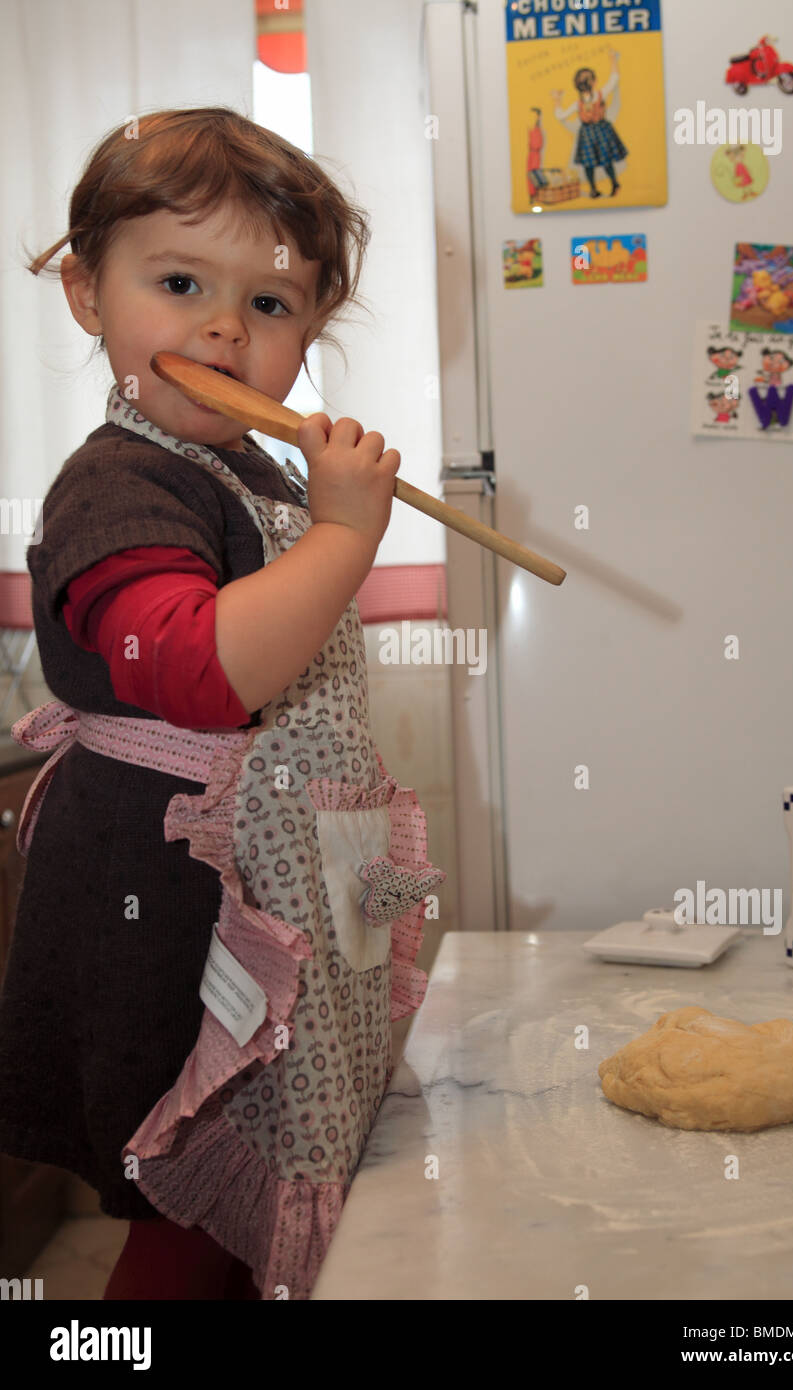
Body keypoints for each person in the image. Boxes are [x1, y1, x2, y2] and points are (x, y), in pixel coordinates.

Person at [0, 107, 444, 1301]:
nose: (220, 328)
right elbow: (200, 669)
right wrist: (349, 533)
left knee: (262, 1194)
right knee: (189, 1198)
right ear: (88, 296)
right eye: (180, 281)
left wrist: (327, 517)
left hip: (271, 878)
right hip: (168, 902)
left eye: (270, 304)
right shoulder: (117, 482)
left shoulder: (252, 470)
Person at [552, 49, 627, 198]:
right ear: (593, 82)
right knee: (594, 163)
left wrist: (557, 100)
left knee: (599, 162)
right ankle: (599, 187)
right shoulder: (588, 99)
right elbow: (614, 78)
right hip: (594, 132)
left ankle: (609, 185)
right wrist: (613, 60)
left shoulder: (590, 98)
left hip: (596, 131)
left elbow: (560, 115)